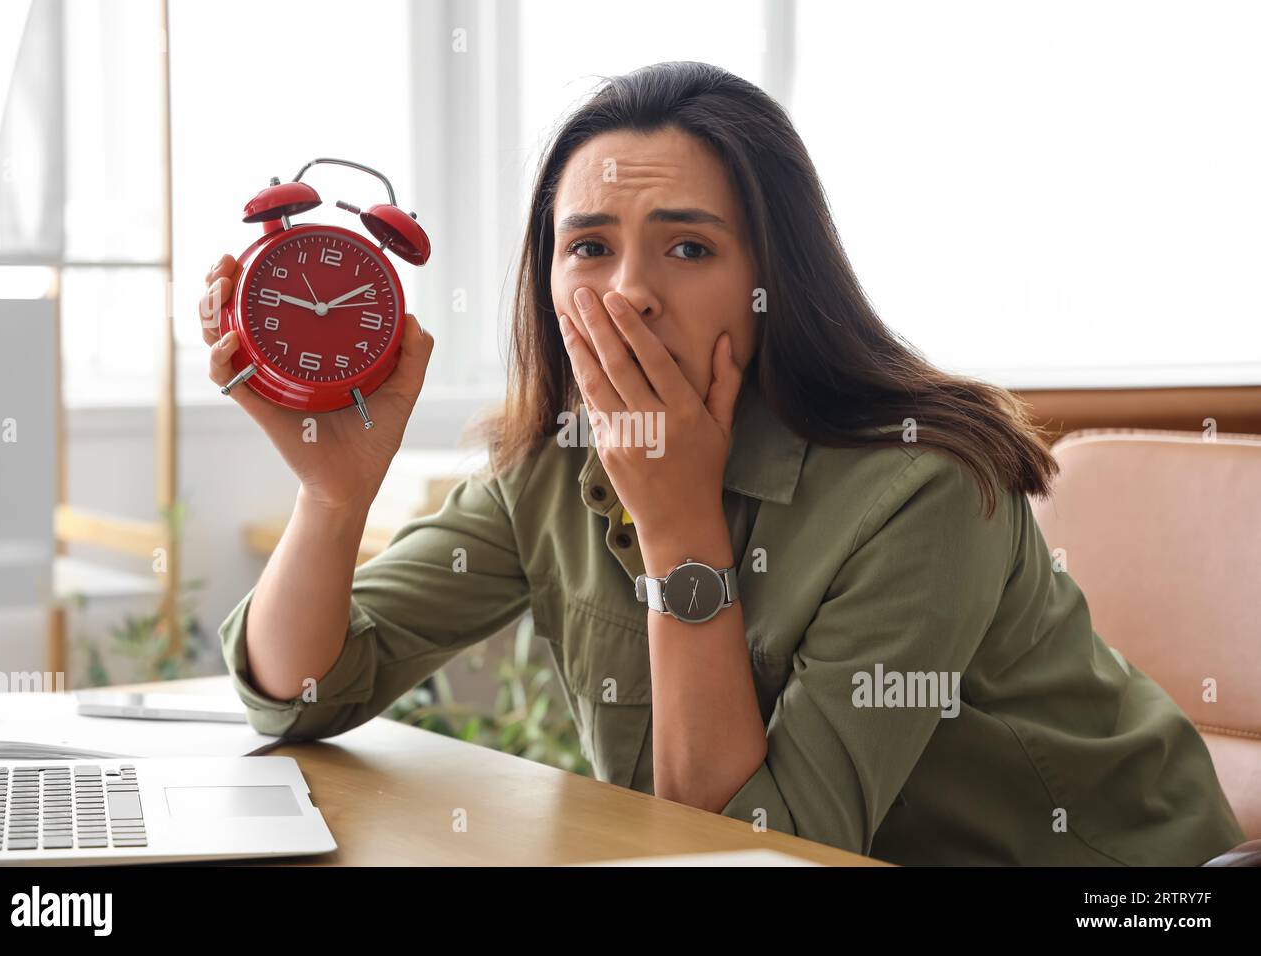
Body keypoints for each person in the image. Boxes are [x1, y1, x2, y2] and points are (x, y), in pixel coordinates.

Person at [200, 61, 1243, 865]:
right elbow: (300, 691)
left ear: (773, 282)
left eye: (688, 247)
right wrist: (332, 496)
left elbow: (754, 852)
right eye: (588, 246)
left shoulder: (927, 486)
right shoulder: (554, 468)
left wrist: (677, 522)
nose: (631, 292)